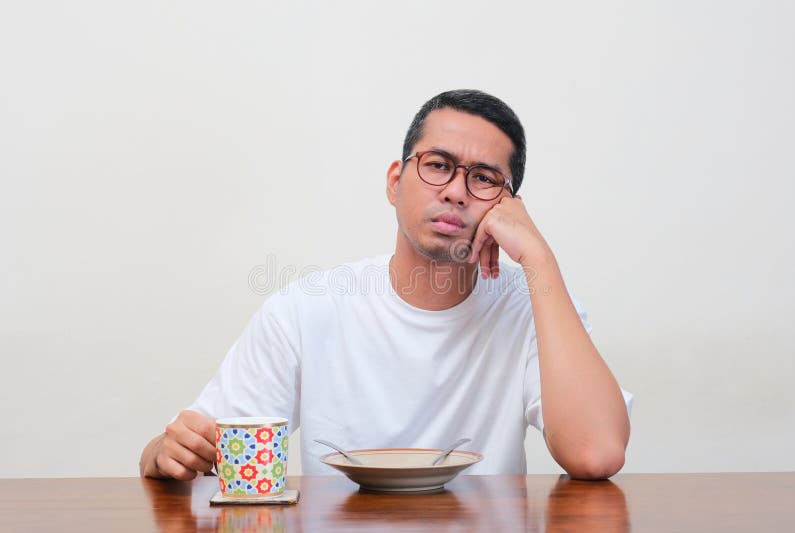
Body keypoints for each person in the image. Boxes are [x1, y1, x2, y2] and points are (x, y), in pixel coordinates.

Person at [139, 89, 632, 481]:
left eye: (484, 178)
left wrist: (539, 258)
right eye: (437, 165)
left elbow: (596, 454)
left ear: (510, 207)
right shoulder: (305, 310)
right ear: (396, 182)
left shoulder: (535, 309)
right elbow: (192, 447)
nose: (455, 192)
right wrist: (166, 453)